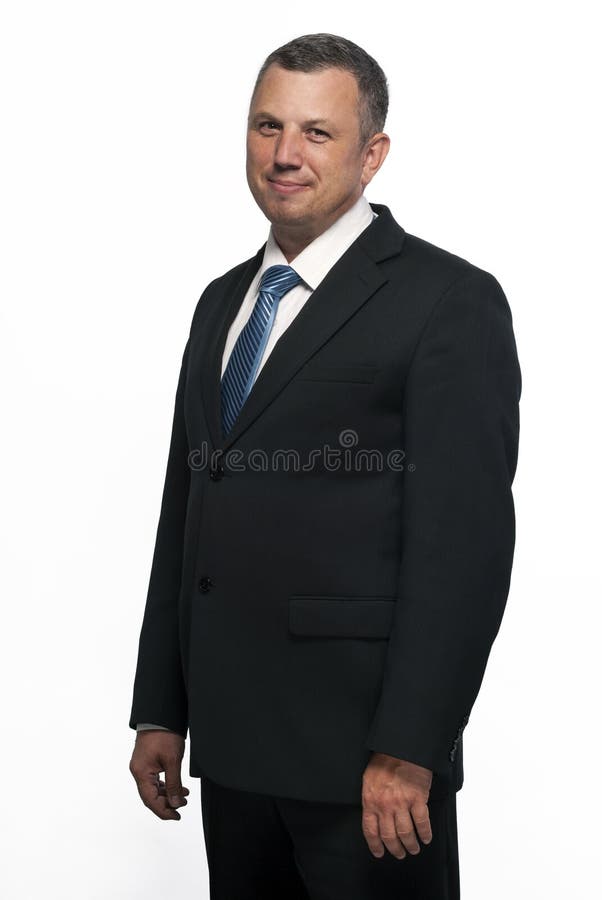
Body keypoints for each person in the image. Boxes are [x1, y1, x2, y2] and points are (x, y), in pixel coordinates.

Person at [128, 32, 521, 900]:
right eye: (267, 126)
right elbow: (188, 507)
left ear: (372, 153)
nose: (284, 154)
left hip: (365, 763)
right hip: (232, 750)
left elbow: (464, 553)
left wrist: (411, 747)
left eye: (316, 132)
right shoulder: (222, 300)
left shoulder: (447, 302)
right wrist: (162, 705)